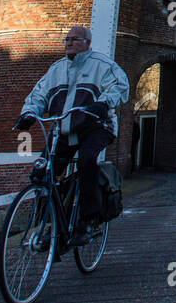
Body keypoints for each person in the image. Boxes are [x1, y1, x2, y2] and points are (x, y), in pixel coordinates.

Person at [15, 26, 130, 245]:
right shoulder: (56, 69)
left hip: (95, 126)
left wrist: (103, 104)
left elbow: (119, 85)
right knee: (42, 171)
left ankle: (89, 219)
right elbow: (38, 94)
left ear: (88, 42)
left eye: (75, 39)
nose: (68, 43)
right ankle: (50, 222)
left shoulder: (102, 65)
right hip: (63, 128)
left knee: (87, 160)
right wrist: (28, 114)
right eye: (66, 39)